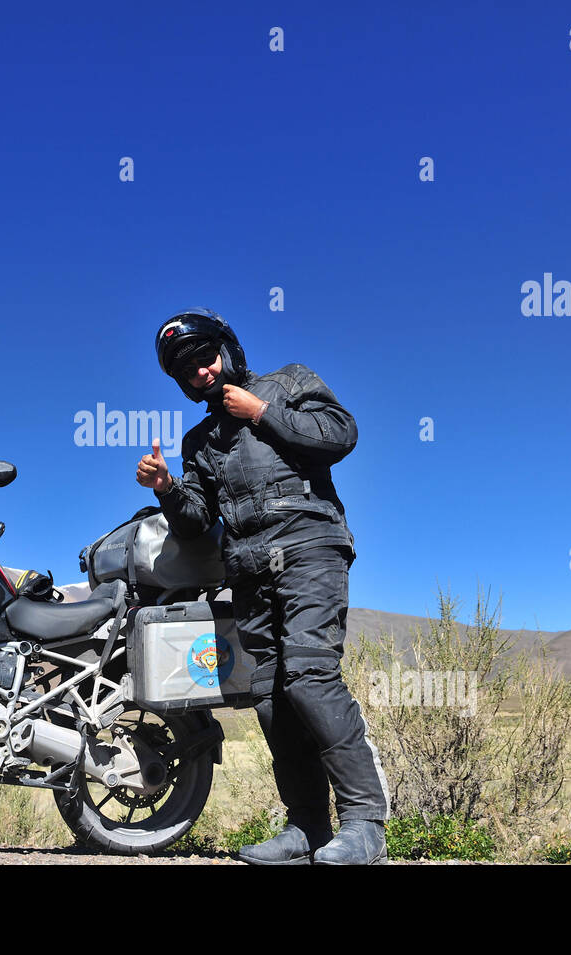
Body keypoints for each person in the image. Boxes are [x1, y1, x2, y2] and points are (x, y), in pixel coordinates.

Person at [135, 307, 390, 865]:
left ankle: (366, 822)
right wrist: (167, 489)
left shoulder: (288, 381)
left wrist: (264, 413)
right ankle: (307, 828)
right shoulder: (198, 440)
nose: (200, 371)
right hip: (248, 572)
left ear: (227, 348)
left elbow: (339, 435)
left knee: (310, 678)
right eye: (186, 370)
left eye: (205, 357)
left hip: (308, 549)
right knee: (271, 698)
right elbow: (197, 519)